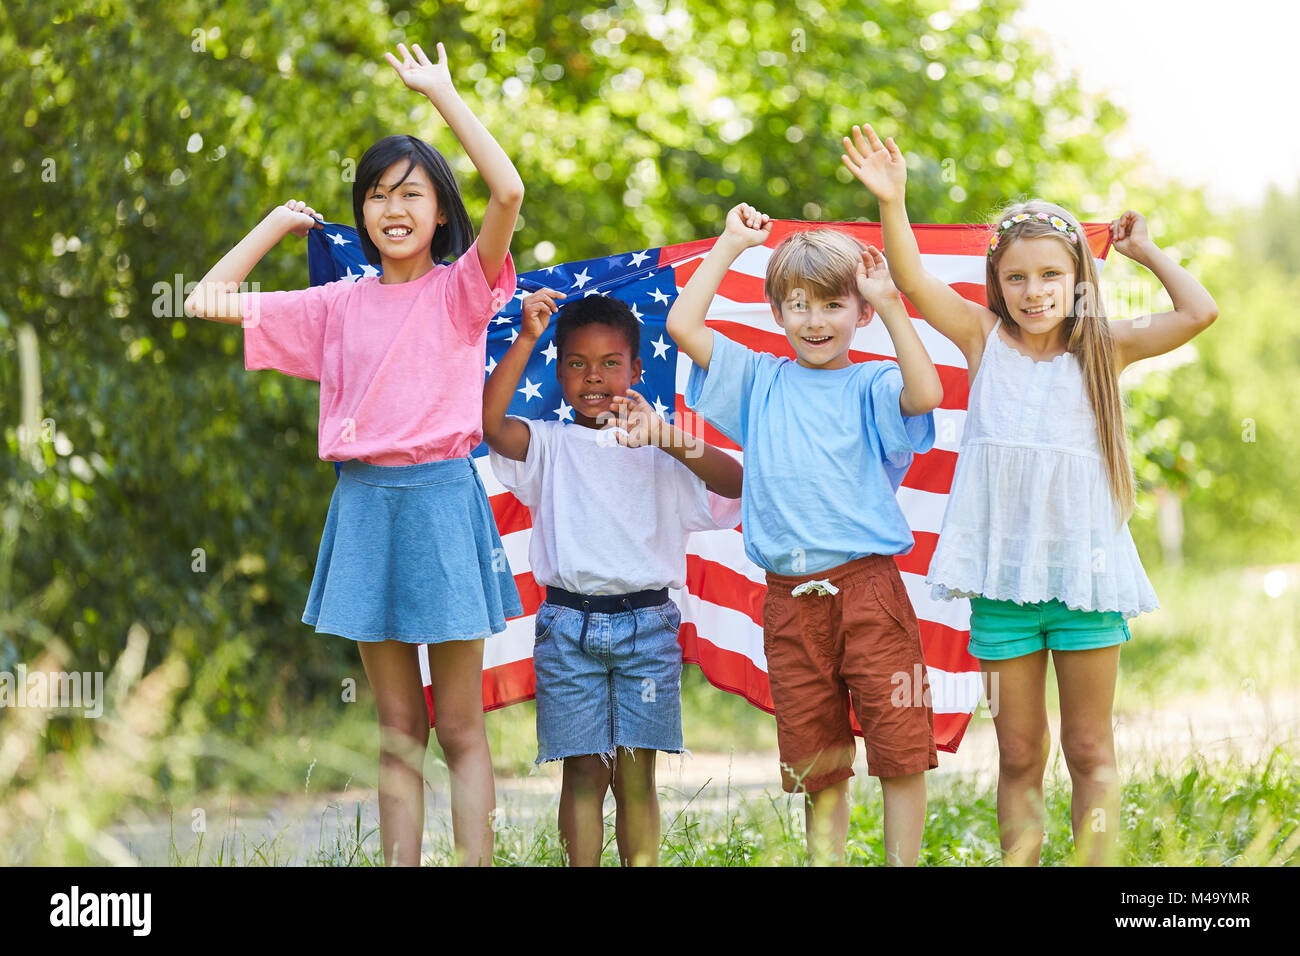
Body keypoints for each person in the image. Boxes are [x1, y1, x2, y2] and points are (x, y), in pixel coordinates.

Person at [184, 42, 525, 867]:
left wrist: (443, 94)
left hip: (443, 503)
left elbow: (508, 190)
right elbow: (205, 301)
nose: (392, 208)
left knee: (459, 726)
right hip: (365, 507)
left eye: (410, 193)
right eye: (376, 195)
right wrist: (276, 224)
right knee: (398, 729)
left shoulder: (463, 290)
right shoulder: (336, 303)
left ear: (440, 210)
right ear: (362, 213)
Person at [842, 122, 1218, 865]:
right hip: (1003, 586)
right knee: (1018, 754)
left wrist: (1143, 250)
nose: (1033, 291)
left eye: (1050, 276)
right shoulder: (984, 339)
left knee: (1089, 749)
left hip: (1086, 581)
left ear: (1077, 278)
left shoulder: (1103, 346)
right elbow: (913, 281)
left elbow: (1199, 312)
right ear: (997, 284)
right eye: (1017, 278)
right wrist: (894, 201)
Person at [667, 202, 945, 865]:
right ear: (778, 312)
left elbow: (927, 393)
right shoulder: (759, 380)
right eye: (798, 305)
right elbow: (683, 323)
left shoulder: (872, 382)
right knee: (816, 758)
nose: (815, 321)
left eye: (832, 306)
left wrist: (893, 302)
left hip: (868, 590)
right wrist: (732, 243)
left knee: (899, 744)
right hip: (790, 600)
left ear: (860, 313)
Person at [483, 289, 742, 866]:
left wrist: (663, 436)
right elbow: (491, 424)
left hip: (647, 627)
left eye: (610, 363)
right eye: (576, 363)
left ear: (637, 368)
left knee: (635, 775)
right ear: (558, 369)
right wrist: (527, 335)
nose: (593, 377)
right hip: (567, 627)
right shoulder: (548, 443)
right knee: (582, 774)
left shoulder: (660, 443)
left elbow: (735, 482)